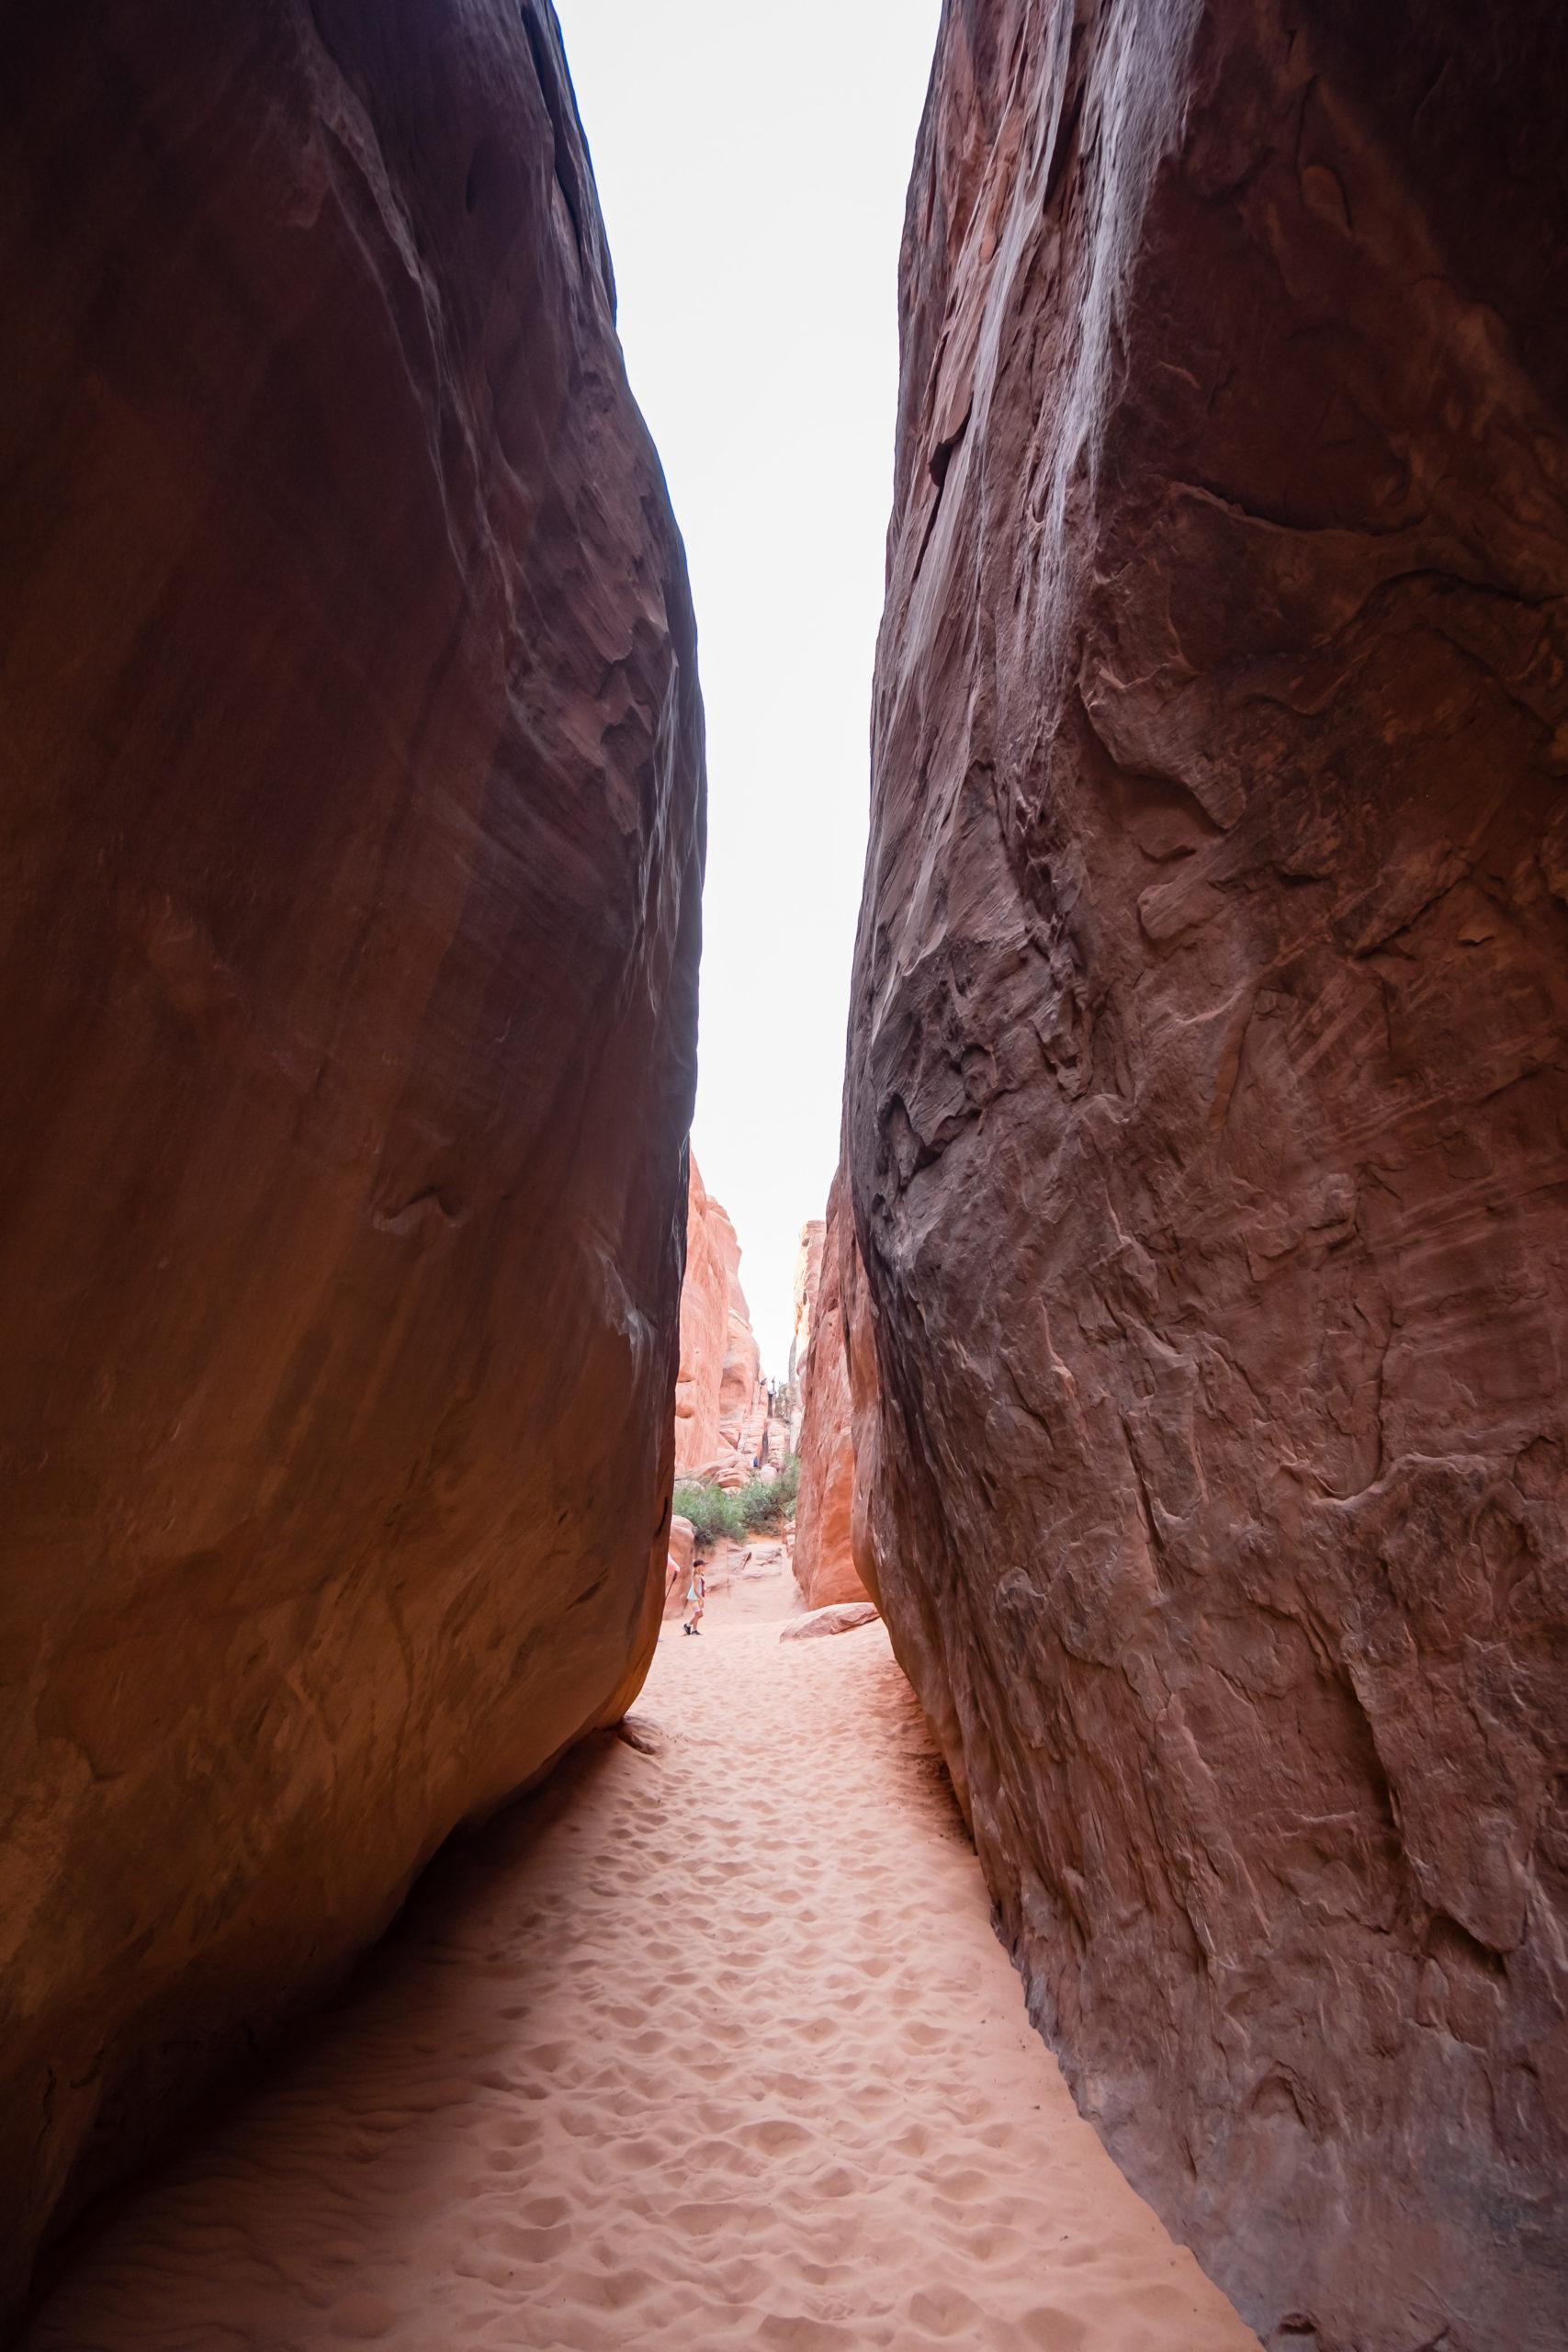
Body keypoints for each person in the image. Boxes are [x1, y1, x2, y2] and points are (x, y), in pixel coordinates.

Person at [682, 1561, 706, 1635]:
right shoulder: (697, 1577)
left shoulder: (699, 1575)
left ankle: (688, 1626)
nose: (704, 1566)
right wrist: (701, 1599)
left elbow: (699, 1587)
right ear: (699, 1566)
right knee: (698, 1613)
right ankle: (693, 1630)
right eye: (703, 1565)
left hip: (695, 1597)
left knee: (700, 1614)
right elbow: (695, 1590)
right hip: (693, 1597)